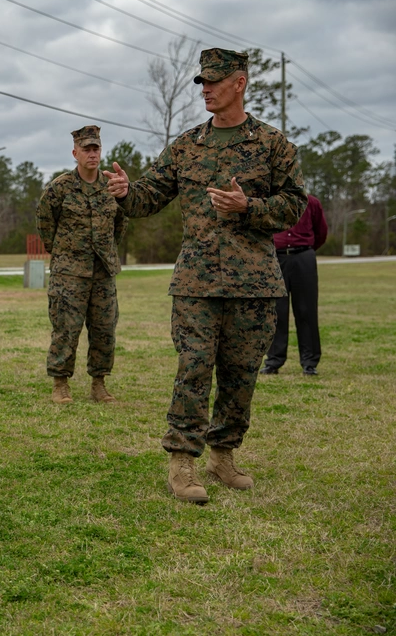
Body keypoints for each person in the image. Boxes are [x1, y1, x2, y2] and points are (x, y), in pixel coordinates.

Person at [104, 48, 306, 504]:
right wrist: (125, 192)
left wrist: (249, 206)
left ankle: (223, 455)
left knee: (240, 374)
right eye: (203, 82)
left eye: (215, 81)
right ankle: (181, 461)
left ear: (240, 82)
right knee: (193, 367)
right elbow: (148, 197)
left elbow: (294, 205)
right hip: (196, 281)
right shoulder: (187, 145)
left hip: (254, 283)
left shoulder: (272, 144)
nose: (206, 89)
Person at [36, 125, 128, 405]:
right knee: (66, 329)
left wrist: (108, 251)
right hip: (69, 273)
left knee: (104, 330)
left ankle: (99, 384)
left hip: (103, 272)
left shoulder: (112, 187)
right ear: (75, 153)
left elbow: (120, 223)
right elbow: (45, 222)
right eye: (86, 149)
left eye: (95, 148)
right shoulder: (60, 188)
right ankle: (60, 384)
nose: (92, 153)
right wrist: (63, 253)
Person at [261, 194, 328, 376]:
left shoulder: (312, 202)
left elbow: (321, 232)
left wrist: (306, 250)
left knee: (307, 310)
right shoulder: (271, 201)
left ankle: (309, 362)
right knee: (276, 311)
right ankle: (273, 361)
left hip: (303, 256)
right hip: (277, 258)